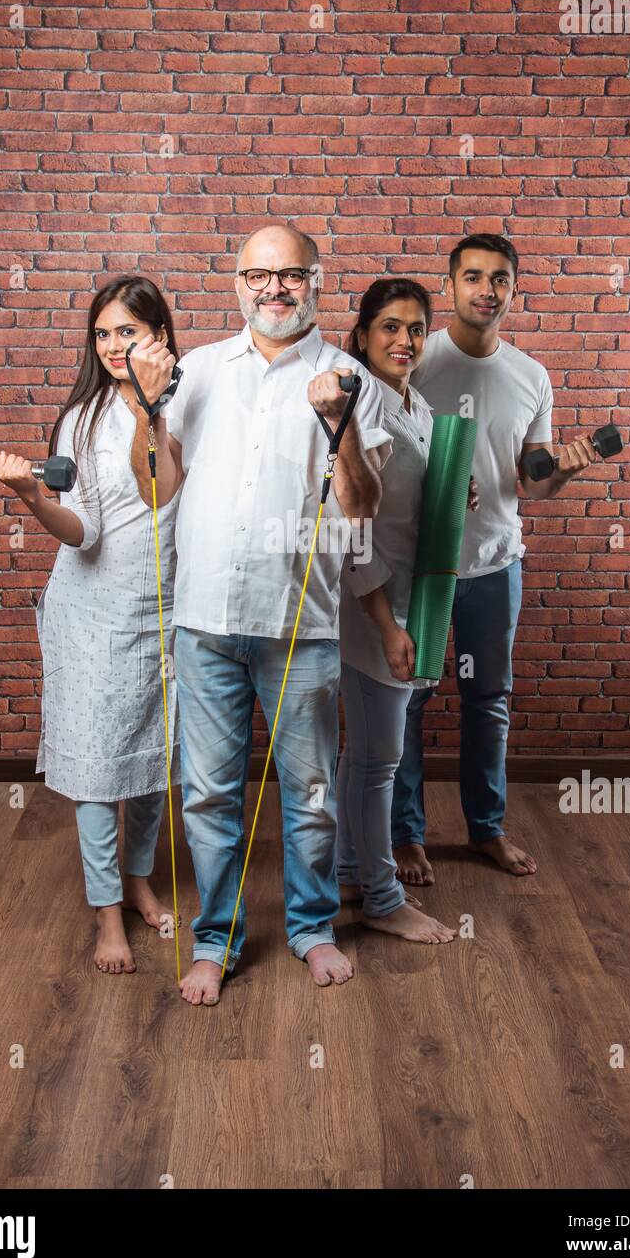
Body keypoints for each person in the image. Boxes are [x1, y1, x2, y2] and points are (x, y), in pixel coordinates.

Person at [129, 223, 391, 1006]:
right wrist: (148, 409)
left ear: (316, 281)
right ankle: (215, 937)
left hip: (299, 625)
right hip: (203, 618)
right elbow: (156, 490)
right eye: (257, 276)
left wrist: (336, 428)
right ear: (235, 281)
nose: (273, 289)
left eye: (290, 276)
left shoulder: (348, 376)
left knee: (306, 791)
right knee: (208, 793)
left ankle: (311, 928)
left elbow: (363, 510)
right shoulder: (196, 370)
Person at [391, 234, 600, 883]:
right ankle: (404, 838)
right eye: (473, 277)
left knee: (488, 702)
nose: (487, 289)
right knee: (408, 701)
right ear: (449, 286)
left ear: (512, 289)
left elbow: (528, 481)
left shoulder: (530, 376)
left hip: (493, 564)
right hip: (417, 566)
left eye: (500, 279)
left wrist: (562, 471)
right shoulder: (413, 361)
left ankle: (485, 829)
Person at [0, 275, 181, 973]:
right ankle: (107, 910)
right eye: (101, 333)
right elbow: (83, 533)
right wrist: (32, 497)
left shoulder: (187, 401)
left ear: (158, 334)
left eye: (126, 332)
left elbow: (184, 491)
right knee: (102, 767)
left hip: (166, 609)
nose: (110, 346)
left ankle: (138, 881)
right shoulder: (80, 419)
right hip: (94, 613)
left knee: (154, 758)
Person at [336, 277, 467, 945]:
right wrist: (386, 626)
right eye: (389, 327)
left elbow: (408, 501)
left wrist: (451, 492)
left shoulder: (412, 402)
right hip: (372, 606)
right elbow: (352, 529)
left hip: (408, 599)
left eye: (416, 328)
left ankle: (347, 875)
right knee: (377, 759)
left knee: (362, 755)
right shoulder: (361, 410)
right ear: (361, 336)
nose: (405, 340)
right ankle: (382, 899)